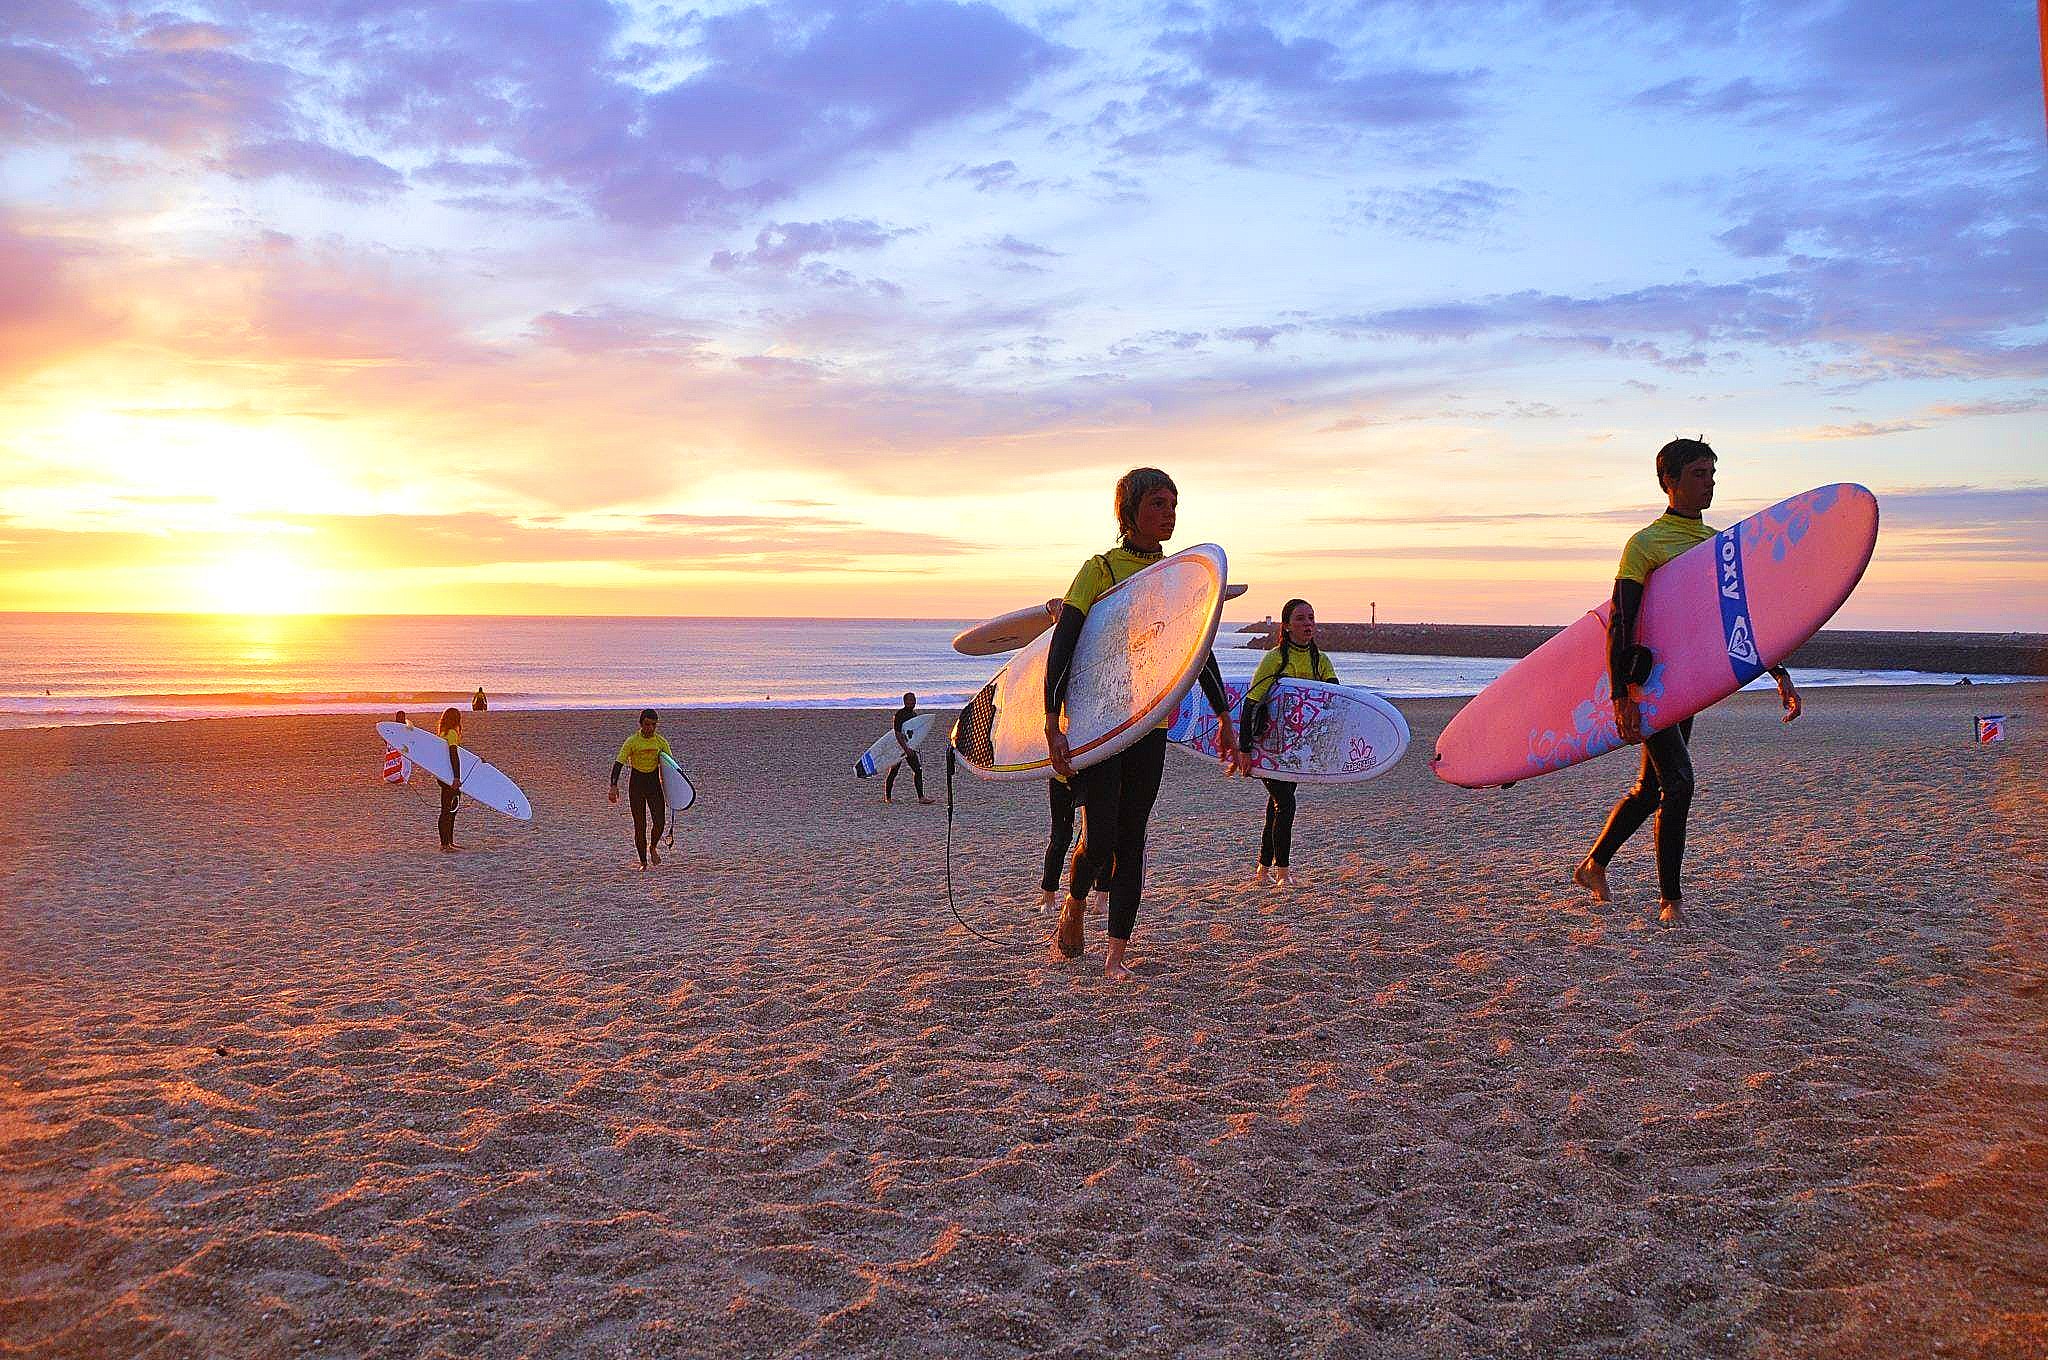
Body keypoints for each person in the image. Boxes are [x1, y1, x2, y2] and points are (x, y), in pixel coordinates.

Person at [1573, 438, 1801, 925]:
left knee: (1653, 787)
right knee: (1679, 783)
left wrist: (1777, 672)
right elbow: (1622, 621)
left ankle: (1593, 865)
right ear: (1669, 482)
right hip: (1650, 684)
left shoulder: (1719, 546)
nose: (1709, 484)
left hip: (1688, 684)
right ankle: (1670, 900)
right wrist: (1621, 694)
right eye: (1698, 474)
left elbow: (1737, 622)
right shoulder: (1645, 545)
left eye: (1712, 475)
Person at [1045, 467, 1246, 981]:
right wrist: (1052, 721)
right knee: (1101, 837)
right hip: (1098, 724)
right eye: (1157, 504)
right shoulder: (1100, 571)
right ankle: (1073, 903)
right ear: (1128, 508)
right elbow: (1064, 646)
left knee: (1133, 836)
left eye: (1174, 505)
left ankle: (1115, 954)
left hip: (1148, 726)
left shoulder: (1179, 576)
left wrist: (1224, 715)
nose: (1168, 514)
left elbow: (1195, 652)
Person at [1241, 598, 1339, 887]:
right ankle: (1283, 871)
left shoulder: (1320, 660)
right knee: (1285, 802)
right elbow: (1250, 704)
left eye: (1311, 617)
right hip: (1268, 745)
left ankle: (1262, 869)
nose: (1308, 623)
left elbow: (1335, 701)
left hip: (1298, 749)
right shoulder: (1275, 659)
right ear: (1286, 626)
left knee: (1277, 804)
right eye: (1300, 619)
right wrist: (1244, 749)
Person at [609, 708, 674, 870]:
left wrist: (675, 793)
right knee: (640, 825)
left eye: (654, 725)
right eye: (647, 724)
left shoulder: (660, 742)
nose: (650, 728)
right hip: (637, 785)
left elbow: (671, 768)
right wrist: (613, 786)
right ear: (640, 724)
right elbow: (619, 763)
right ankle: (643, 862)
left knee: (660, 822)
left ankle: (652, 847)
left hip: (654, 784)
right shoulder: (632, 742)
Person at [883, 692, 933, 804]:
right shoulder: (899, 715)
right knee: (894, 771)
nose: (912, 702)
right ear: (905, 701)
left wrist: (913, 747)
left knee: (918, 770)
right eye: (910, 700)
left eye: (914, 700)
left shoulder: (914, 715)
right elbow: (897, 734)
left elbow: (913, 734)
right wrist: (905, 749)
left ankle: (921, 798)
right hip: (898, 747)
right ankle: (888, 797)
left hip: (910, 747)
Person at [434, 707, 464, 852]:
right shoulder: (451, 733)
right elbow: (453, 755)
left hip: (443, 775)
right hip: (450, 777)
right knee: (448, 810)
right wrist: (456, 777)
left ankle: (449, 842)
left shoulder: (442, 733)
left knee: (450, 809)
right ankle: (444, 844)